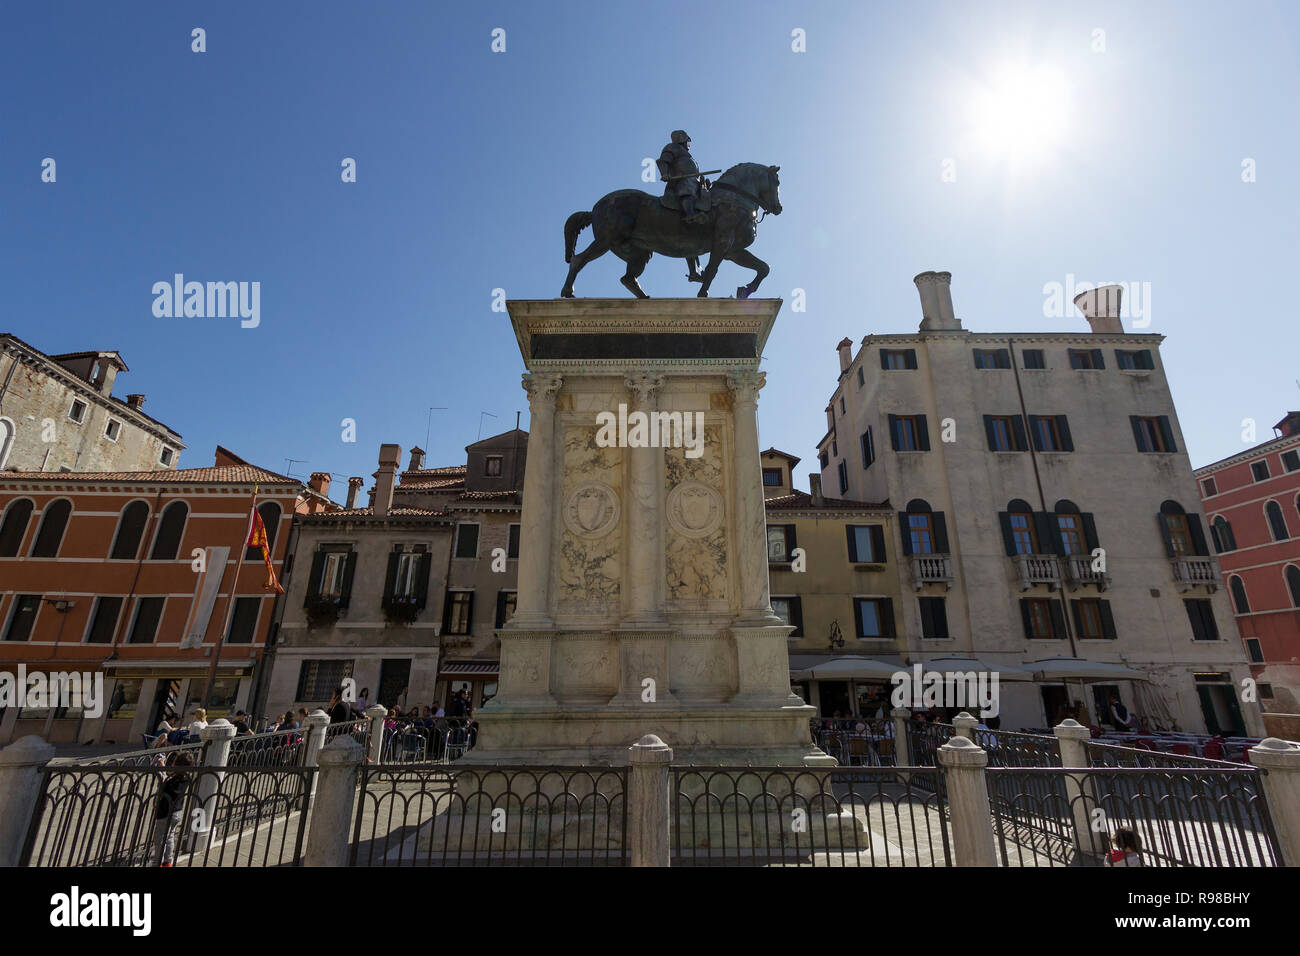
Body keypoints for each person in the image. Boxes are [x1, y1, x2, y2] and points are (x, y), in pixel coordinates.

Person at [152, 750, 194, 866]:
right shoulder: (185, 778)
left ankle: (158, 862)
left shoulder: (172, 781)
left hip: (165, 812)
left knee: (160, 839)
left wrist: (162, 771)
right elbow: (172, 775)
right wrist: (163, 767)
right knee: (170, 836)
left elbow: (165, 786)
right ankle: (167, 862)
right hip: (177, 812)